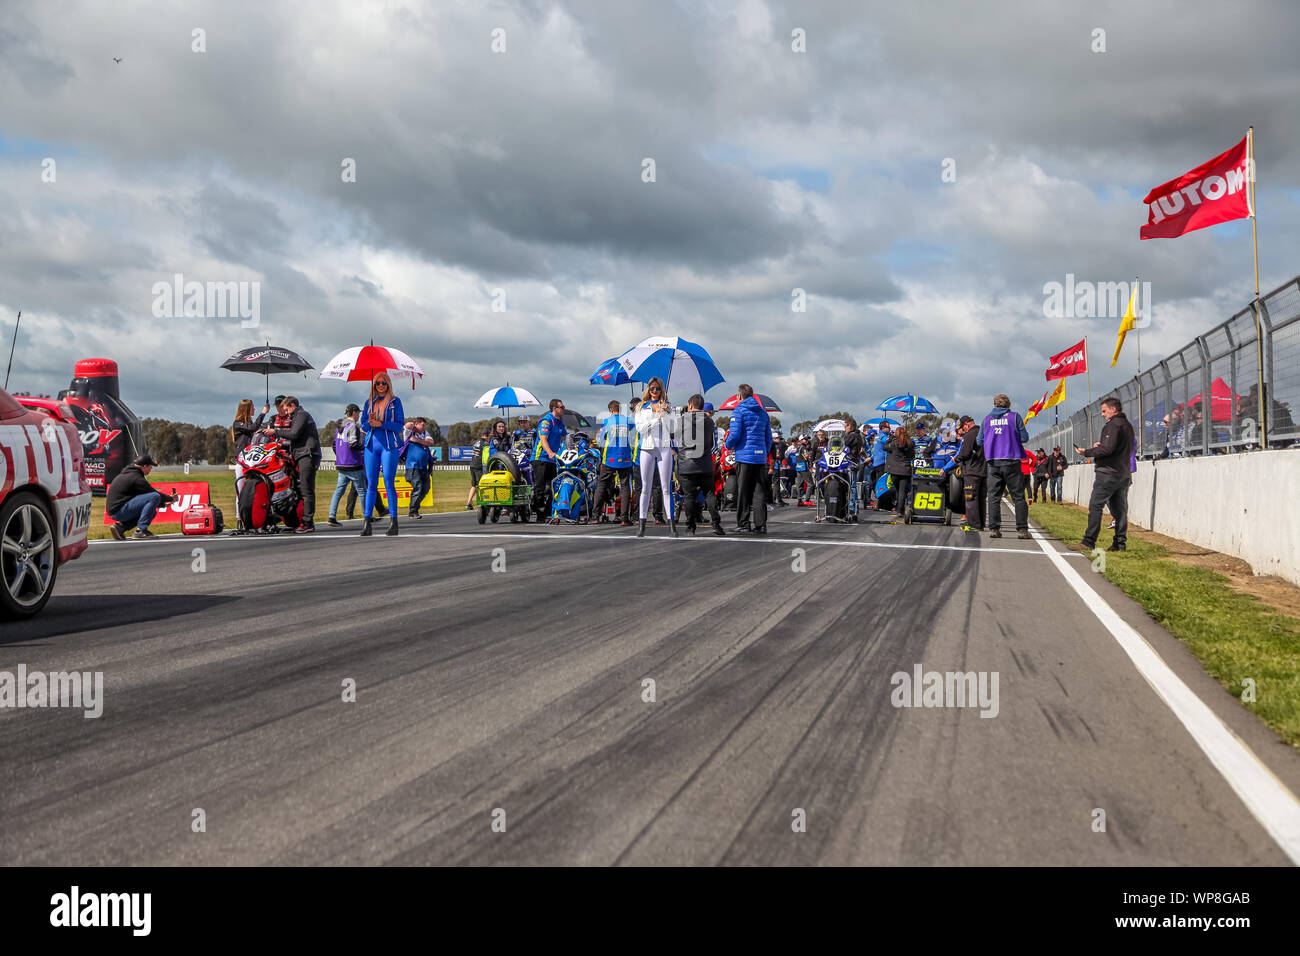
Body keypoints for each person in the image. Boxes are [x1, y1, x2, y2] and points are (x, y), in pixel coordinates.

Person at [1076, 396, 1136, 552]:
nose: (1103, 414)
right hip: (1123, 472)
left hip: (1108, 473)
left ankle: (1089, 541)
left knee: (1096, 505)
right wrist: (1102, 446)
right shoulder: (1127, 426)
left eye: (1104, 411)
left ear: (1113, 409)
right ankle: (1119, 544)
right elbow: (1115, 447)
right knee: (1119, 510)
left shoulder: (1113, 425)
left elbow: (1107, 449)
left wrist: (1087, 452)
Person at [261, 396, 320, 534]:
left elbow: (294, 434)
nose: (286, 413)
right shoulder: (297, 416)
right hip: (302, 454)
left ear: (292, 405)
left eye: (287, 409)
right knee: (301, 489)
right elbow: (296, 439)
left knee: (306, 490)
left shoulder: (301, 415)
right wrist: (280, 444)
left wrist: (275, 432)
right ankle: (300, 520)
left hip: (307, 455)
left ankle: (308, 523)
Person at [976, 393, 1031, 539]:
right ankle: (1022, 530)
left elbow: (979, 441)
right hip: (1012, 461)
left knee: (994, 497)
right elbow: (1025, 437)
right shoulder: (1014, 416)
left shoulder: (987, 419)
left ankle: (994, 529)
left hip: (993, 462)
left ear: (995, 404)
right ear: (1008, 405)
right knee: (1018, 497)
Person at [361, 372, 405, 537]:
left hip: (389, 446)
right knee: (371, 484)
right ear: (374, 384)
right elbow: (364, 426)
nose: (380, 385)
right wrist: (370, 422)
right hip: (372, 445)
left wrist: (381, 423)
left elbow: (399, 425)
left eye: (383, 383)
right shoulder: (369, 402)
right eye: (377, 383)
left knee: (388, 481)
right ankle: (367, 523)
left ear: (388, 385)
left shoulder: (395, 401)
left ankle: (394, 522)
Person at [633, 378, 676, 537]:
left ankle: (672, 524)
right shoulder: (641, 407)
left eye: (658, 389)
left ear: (662, 390)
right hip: (647, 448)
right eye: (652, 389)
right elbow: (640, 429)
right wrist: (655, 418)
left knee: (666, 488)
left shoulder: (668, 407)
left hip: (664, 447)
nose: (655, 392)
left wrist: (664, 414)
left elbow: (674, 428)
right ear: (648, 390)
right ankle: (642, 524)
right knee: (646, 487)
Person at [677, 395, 725, 536]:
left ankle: (690, 527)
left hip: (687, 464)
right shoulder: (709, 422)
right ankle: (716, 524)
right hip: (705, 464)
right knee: (710, 494)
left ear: (690, 406)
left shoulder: (682, 420)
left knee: (689, 496)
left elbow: (674, 436)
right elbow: (711, 444)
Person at [727, 384, 771, 534]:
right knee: (759, 493)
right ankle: (761, 525)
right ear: (753, 395)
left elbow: (734, 435)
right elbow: (768, 439)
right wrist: (764, 452)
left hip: (744, 456)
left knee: (744, 491)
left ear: (739, 396)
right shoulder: (764, 413)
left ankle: (744, 523)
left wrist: (728, 445)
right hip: (760, 458)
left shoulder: (738, 411)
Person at [106, 454, 176, 539]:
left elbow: (143, 500)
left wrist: (163, 505)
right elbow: (154, 494)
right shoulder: (136, 478)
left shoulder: (130, 473)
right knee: (154, 496)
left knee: (152, 512)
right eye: (150, 467)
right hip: (119, 510)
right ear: (144, 466)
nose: (151, 469)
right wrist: (171, 498)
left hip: (115, 510)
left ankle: (120, 528)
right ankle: (140, 531)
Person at [592, 399, 635, 526]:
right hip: (625, 458)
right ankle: (624, 518)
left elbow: (600, 439)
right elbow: (634, 435)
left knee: (602, 485)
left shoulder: (606, 421)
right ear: (620, 409)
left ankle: (595, 516)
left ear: (610, 410)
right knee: (625, 487)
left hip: (609, 457)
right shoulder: (628, 421)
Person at [328, 403, 367, 527]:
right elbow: (353, 444)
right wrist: (365, 446)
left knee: (339, 491)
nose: (359, 415)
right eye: (358, 413)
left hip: (342, 463)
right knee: (362, 490)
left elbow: (334, 445)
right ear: (354, 412)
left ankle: (331, 516)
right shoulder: (353, 426)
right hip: (353, 463)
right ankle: (367, 515)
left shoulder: (340, 426)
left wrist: (340, 456)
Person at [944, 415, 986, 531]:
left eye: (963, 427)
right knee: (981, 499)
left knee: (971, 498)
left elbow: (965, 452)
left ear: (967, 424)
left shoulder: (970, 434)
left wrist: (956, 459)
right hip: (984, 470)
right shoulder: (983, 432)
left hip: (972, 470)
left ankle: (973, 525)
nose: (963, 430)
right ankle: (981, 524)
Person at [531, 398, 569, 519]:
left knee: (555, 486)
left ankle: (548, 511)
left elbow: (566, 436)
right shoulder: (547, 421)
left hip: (553, 460)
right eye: (562, 407)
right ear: (554, 408)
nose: (564, 409)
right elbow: (543, 439)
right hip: (541, 458)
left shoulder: (560, 421)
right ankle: (540, 514)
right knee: (540, 487)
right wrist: (550, 452)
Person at [230, 398, 268, 506]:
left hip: (251, 460)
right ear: (246, 409)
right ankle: (239, 518)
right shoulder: (238, 423)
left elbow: (253, 429)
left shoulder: (248, 423)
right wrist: (263, 413)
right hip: (242, 461)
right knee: (241, 491)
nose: (254, 409)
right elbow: (252, 428)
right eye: (252, 407)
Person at [403, 418, 436, 518]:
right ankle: (413, 511)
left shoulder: (424, 433)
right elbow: (407, 425)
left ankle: (414, 507)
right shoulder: (408, 433)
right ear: (416, 424)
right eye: (422, 425)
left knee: (426, 488)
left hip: (423, 467)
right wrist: (414, 426)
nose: (424, 427)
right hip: (412, 466)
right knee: (418, 487)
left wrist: (417, 440)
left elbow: (430, 442)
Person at [884, 425, 915, 520]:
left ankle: (899, 508)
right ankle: (900, 510)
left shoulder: (894, 443)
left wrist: (890, 438)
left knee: (898, 490)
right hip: (905, 470)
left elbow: (885, 447)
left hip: (894, 471)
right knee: (902, 491)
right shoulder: (910, 444)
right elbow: (912, 456)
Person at [467, 428, 491, 510]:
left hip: (472, 465)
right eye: (489, 436)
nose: (490, 438)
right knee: (481, 485)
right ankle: (480, 504)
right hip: (479, 466)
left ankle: (469, 503)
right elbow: (486, 456)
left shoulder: (477, 442)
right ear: (486, 436)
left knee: (474, 485)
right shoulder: (485, 443)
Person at [870, 423, 892, 508]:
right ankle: (883, 504)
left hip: (876, 463)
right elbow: (888, 441)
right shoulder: (883, 436)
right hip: (883, 463)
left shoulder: (877, 436)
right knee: (883, 484)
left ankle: (879, 503)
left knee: (877, 483)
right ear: (883, 428)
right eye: (888, 427)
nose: (889, 429)